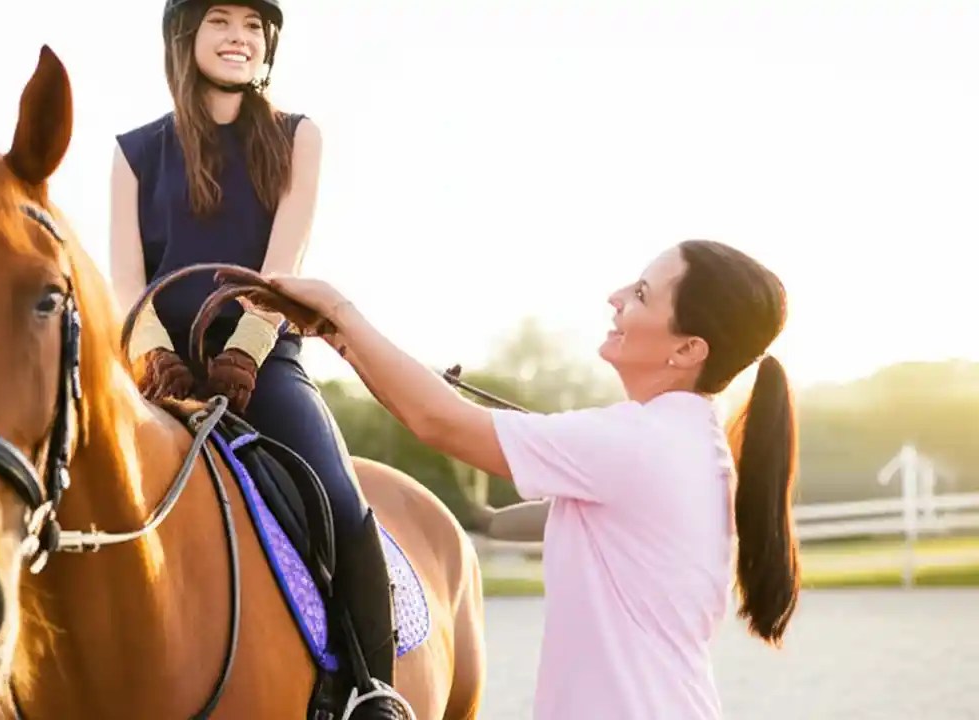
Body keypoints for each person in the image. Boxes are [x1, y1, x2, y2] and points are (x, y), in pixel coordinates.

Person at [239, 239, 802, 719]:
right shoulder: (685, 442)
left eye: (642, 295)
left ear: (688, 349)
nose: (616, 297)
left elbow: (441, 420)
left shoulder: (642, 442)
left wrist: (339, 312)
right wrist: (340, 335)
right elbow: (563, 518)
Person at [108, 2, 412, 717]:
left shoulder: (296, 137)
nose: (239, 38)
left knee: (340, 498)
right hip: (159, 372)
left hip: (260, 361)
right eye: (220, 21)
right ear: (185, 36)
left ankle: (372, 687)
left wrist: (244, 351)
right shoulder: (132, 152)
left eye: (252, 25)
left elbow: (286, 261)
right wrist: (152, 356)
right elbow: (125, 276)